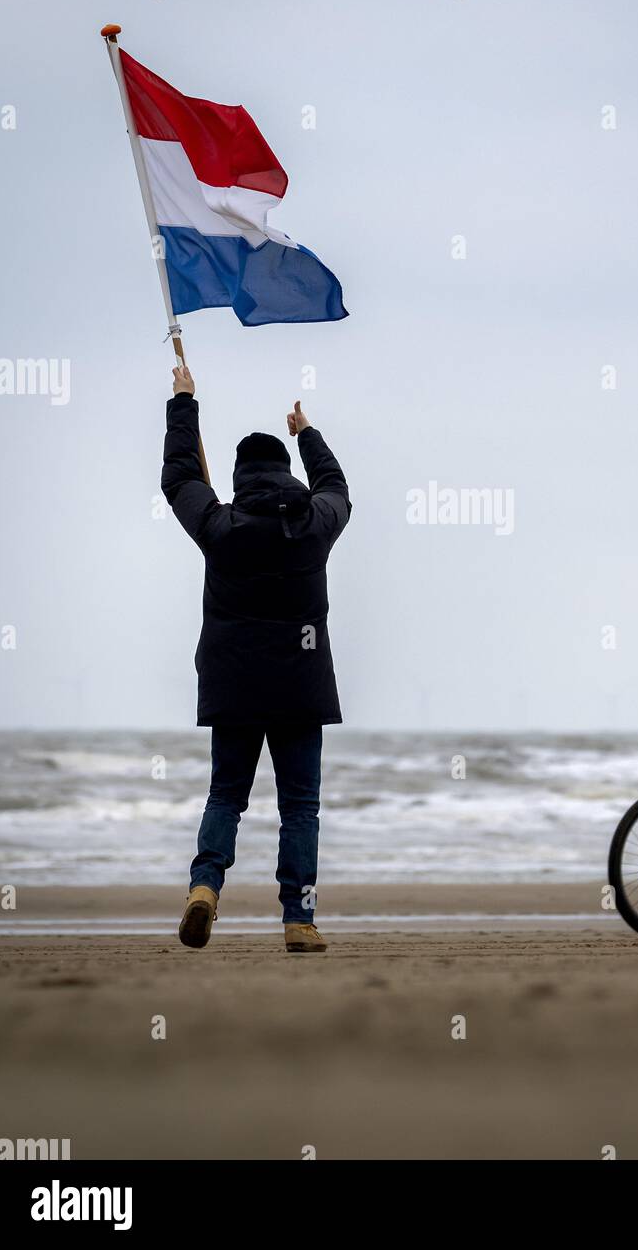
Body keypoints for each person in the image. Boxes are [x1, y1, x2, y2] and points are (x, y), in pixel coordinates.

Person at [161, 365, 351, 953]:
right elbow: (338, 491)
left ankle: (204, 890)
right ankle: (299, 919)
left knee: (226, 797)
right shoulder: (314, 524)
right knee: (300, 808)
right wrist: (308, 433)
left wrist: (184, 404)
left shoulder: (220, 525)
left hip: (235, 684)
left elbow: (179, 480)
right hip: (300, 685)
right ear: (287, 473)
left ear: (240, 478)